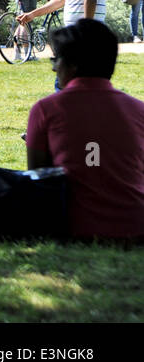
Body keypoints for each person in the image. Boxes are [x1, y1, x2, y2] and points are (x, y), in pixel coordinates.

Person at [27, 20, 144, 240]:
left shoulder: (45, 109)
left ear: (72, 66)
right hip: (136, 225)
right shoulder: (139, 110)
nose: (53, 67)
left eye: (56, 59)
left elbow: (38, 180)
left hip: (72, 227)